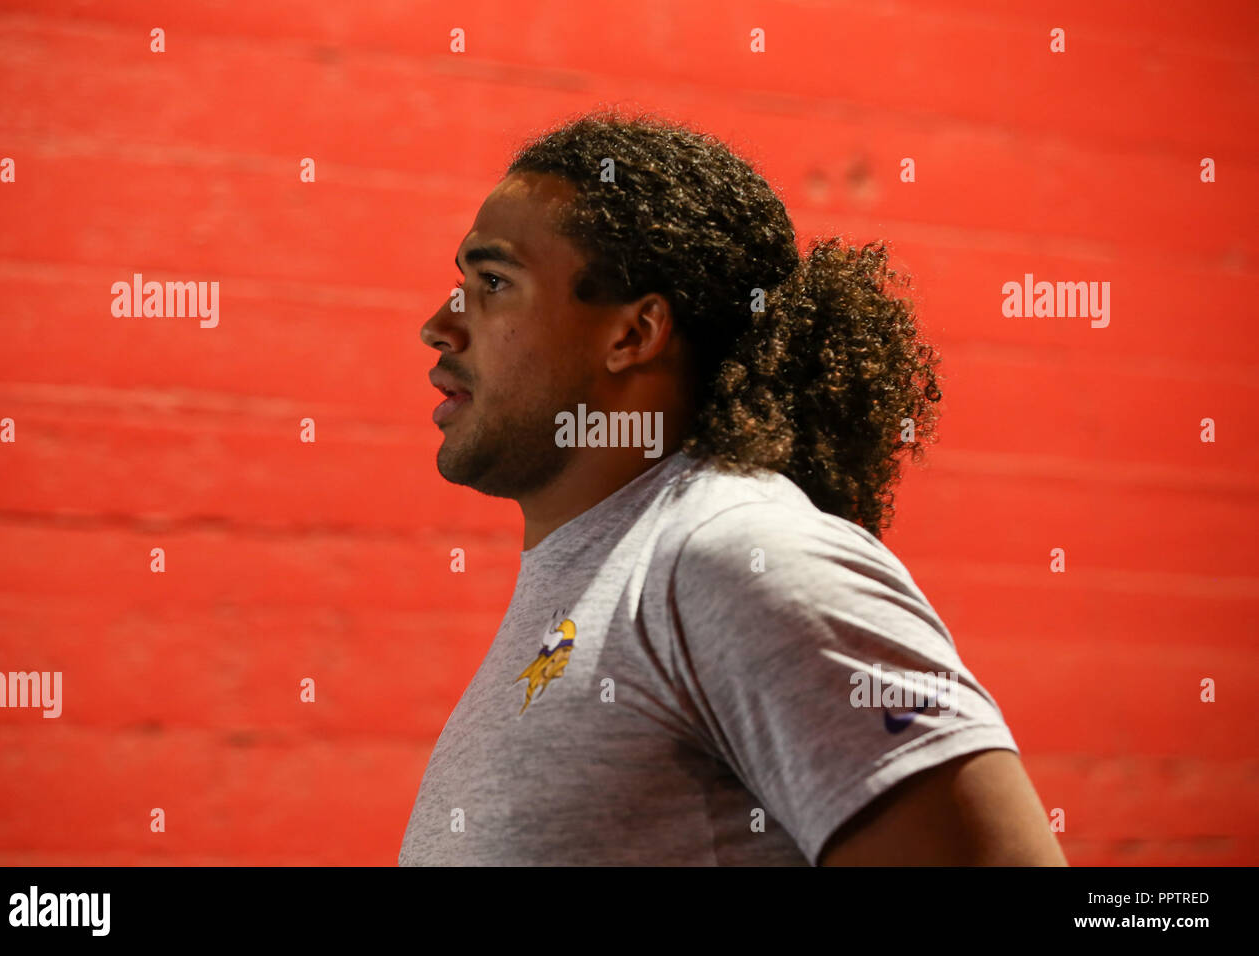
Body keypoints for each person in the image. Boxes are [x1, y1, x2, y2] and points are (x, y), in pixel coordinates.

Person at [399, 109, 1067, 866]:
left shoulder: (737, 558)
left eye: (492, 283)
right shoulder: (602, 576)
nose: (439, 325)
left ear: (633, 334)